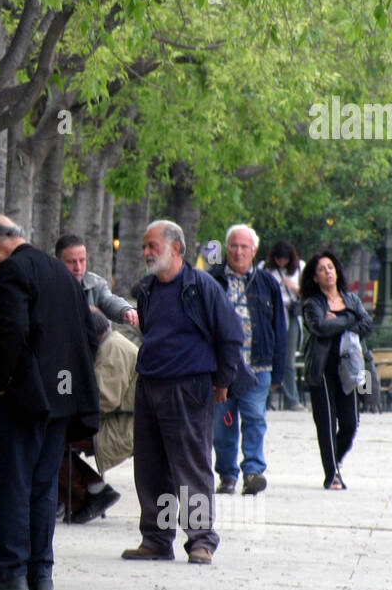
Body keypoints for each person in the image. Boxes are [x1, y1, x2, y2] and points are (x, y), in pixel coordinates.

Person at [0, 216, 99, 590]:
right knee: (42, 488)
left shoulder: (11, 270)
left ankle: (9, 571)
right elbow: (87, 336)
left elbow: (9, 333)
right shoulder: (61, 273)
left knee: (13, 483)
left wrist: (6, 384)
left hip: (25, 398)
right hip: (60, 400)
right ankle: (41, 574)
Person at [122, 219, 245, 566]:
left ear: (175, 248)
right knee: (150, 467)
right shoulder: (147, 288)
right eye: (145, 247)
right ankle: (157, 539)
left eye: (152, 246)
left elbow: (232, 335)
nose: (146, 253)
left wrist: (222, 380)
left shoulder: (201, 286)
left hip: (189, 387)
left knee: (191, 467)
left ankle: (201, 540)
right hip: (149, 385)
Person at [209, 225, 287, 494]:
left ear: (254, 251)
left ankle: (253, 471)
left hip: (258, 367)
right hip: (222, 370)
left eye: (244, 247)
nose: (238, 251)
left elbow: (280, 328)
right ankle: (227, 475)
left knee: (254, 418)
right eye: (233, 246)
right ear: (226, 248)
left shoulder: (268, 284)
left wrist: (278, 372)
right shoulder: (213, 280)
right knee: (224, 423)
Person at [300, 249, 372, 490]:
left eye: (330, 267)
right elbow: (320, 327)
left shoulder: (350, 300)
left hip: (348, 367)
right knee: (327, 423)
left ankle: (334, 462)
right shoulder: (312, 303)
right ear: (315, 277)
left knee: (350, 424)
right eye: (321, 269)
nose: (327, 272)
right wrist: (350, 320)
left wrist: (339, 320)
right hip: (321, 368)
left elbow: (366, 325)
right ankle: (332, 474)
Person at [63, 307, 137, 523]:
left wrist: (66, 410)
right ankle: (94, 489)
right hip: (116, 422)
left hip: (123, 429)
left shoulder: (114, 349)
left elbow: (103, 400)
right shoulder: (109, 344)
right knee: (53, 437)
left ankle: (86, 496)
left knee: (52, 440)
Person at [54, 233, 139, 327]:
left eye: (82, 260)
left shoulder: (95, 283)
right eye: (71, 262)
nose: (78, 267)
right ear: (58, 262)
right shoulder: (45, 285)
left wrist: (125, 310)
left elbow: (108, 301)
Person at [262, 240, 304, 409]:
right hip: (271, 313)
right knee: (268, 355)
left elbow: (308, 293)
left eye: (285, 260)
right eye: (279, 259)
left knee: (288, 358)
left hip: (291, 312)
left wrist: (293, 287)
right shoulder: (265, 268)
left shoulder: (300, 267)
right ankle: (266, 398)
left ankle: (291, 398)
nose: (281, 263)